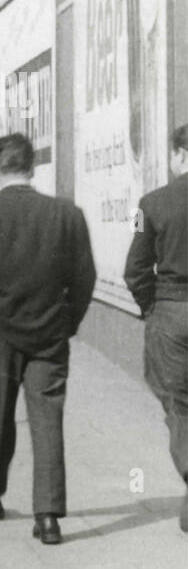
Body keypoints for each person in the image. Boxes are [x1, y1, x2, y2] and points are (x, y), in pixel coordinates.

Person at [0, 133, 96, 545]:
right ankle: (49, 515)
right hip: (51, 336)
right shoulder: (67, 214)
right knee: (48, 421)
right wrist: (66, 323)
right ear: (32, 168)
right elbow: (84, 279)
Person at [123, 124, 188, 532]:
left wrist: (153, 308)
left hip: (171, 314)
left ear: (179, 155)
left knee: (179, 406)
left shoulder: (150, 204)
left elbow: (134, 269)